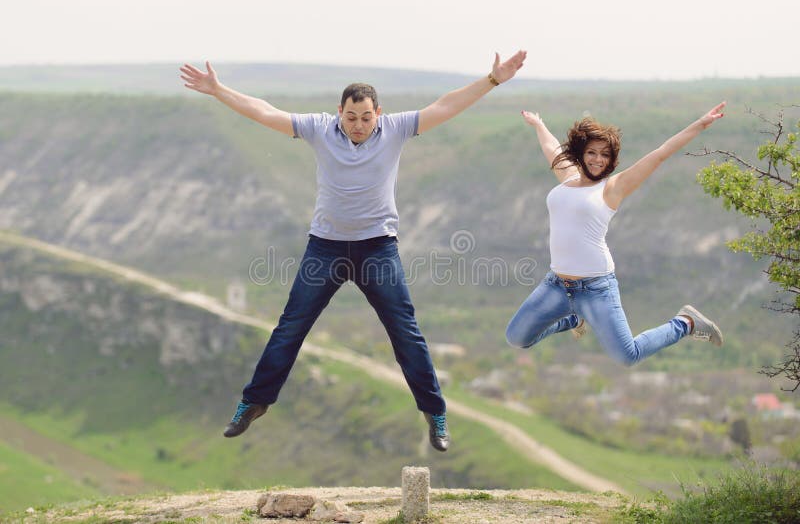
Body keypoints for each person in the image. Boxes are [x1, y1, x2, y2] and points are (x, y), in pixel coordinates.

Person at [180, 51, 527, 451]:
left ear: (378, 113)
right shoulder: (318, 129)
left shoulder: (396, 129)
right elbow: (264, 112)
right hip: (325, 249)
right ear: (339, 113)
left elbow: (445, 105)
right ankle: (253, 403)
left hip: (377, 249)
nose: (359, 125)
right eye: (351, 117)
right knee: (291, 327)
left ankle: (435, 414)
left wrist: (493, 79)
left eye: (366, 117)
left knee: (405, 331)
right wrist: (217, 89)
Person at [505, 103, 726, 365]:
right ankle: (575, 319)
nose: (598, 160)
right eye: (592, 153)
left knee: (627, 356)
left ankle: (685, 323)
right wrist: (539, 124)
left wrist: (699, 124)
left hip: (596, 288)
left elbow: (660, 154)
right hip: (556, 285)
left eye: (605, 155)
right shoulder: (567, 176)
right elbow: (551, 148)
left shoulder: (613, 188)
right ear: (580, 153)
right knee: (517, 337)